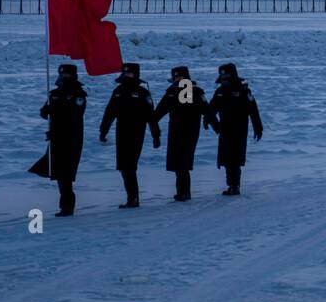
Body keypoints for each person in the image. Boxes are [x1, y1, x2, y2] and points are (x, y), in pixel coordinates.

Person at [99, 62, 160, 208]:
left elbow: (150, 115)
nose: (127, 76)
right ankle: (132, 198)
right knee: (123, 167)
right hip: (121, 132)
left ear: (136, 75)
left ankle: (133, 199)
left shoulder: (143, 93)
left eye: (130, 74)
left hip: (137, 133)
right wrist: (103, 130)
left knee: (129, 166)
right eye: (125, 73)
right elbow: (110, 112)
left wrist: (155, 135)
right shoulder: (118, 91)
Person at [152, 65, 213, 201]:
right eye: (174, 77)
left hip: (190, 131)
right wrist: (151, 123)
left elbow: (207, 110)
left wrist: (216, 126)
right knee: (177, 163)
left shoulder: (196, 92)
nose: (176, 79)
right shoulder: (171, 92)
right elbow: (159, 111)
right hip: (175, 131)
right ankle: (182, 192)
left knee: (183, 162)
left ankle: (184, 192)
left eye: (178, 76)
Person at [33, 63, 87, 216]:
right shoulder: (54, 93)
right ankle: (65, 206)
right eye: (62, 74)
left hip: (72, 139)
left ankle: (67, 206)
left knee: (66, 174)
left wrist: (55, 111)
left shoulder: (78, 94)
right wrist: (45, 111)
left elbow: (74, 115)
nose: (64, 77)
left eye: (68, 75)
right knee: (58, 173)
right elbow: (45, 112)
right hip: (56, 138)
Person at [207, 63, 263, 196]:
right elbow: (211, 108)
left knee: (235, 159)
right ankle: (231, 185)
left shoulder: (243, 91)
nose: (224, 79)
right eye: (222, 76)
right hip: (225, 130)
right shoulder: (220, 91)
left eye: (226, 76)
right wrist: (208, 120)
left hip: (239, 130)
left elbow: (253, 110)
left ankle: (235, 185)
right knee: (226, 159)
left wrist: (258, 127)